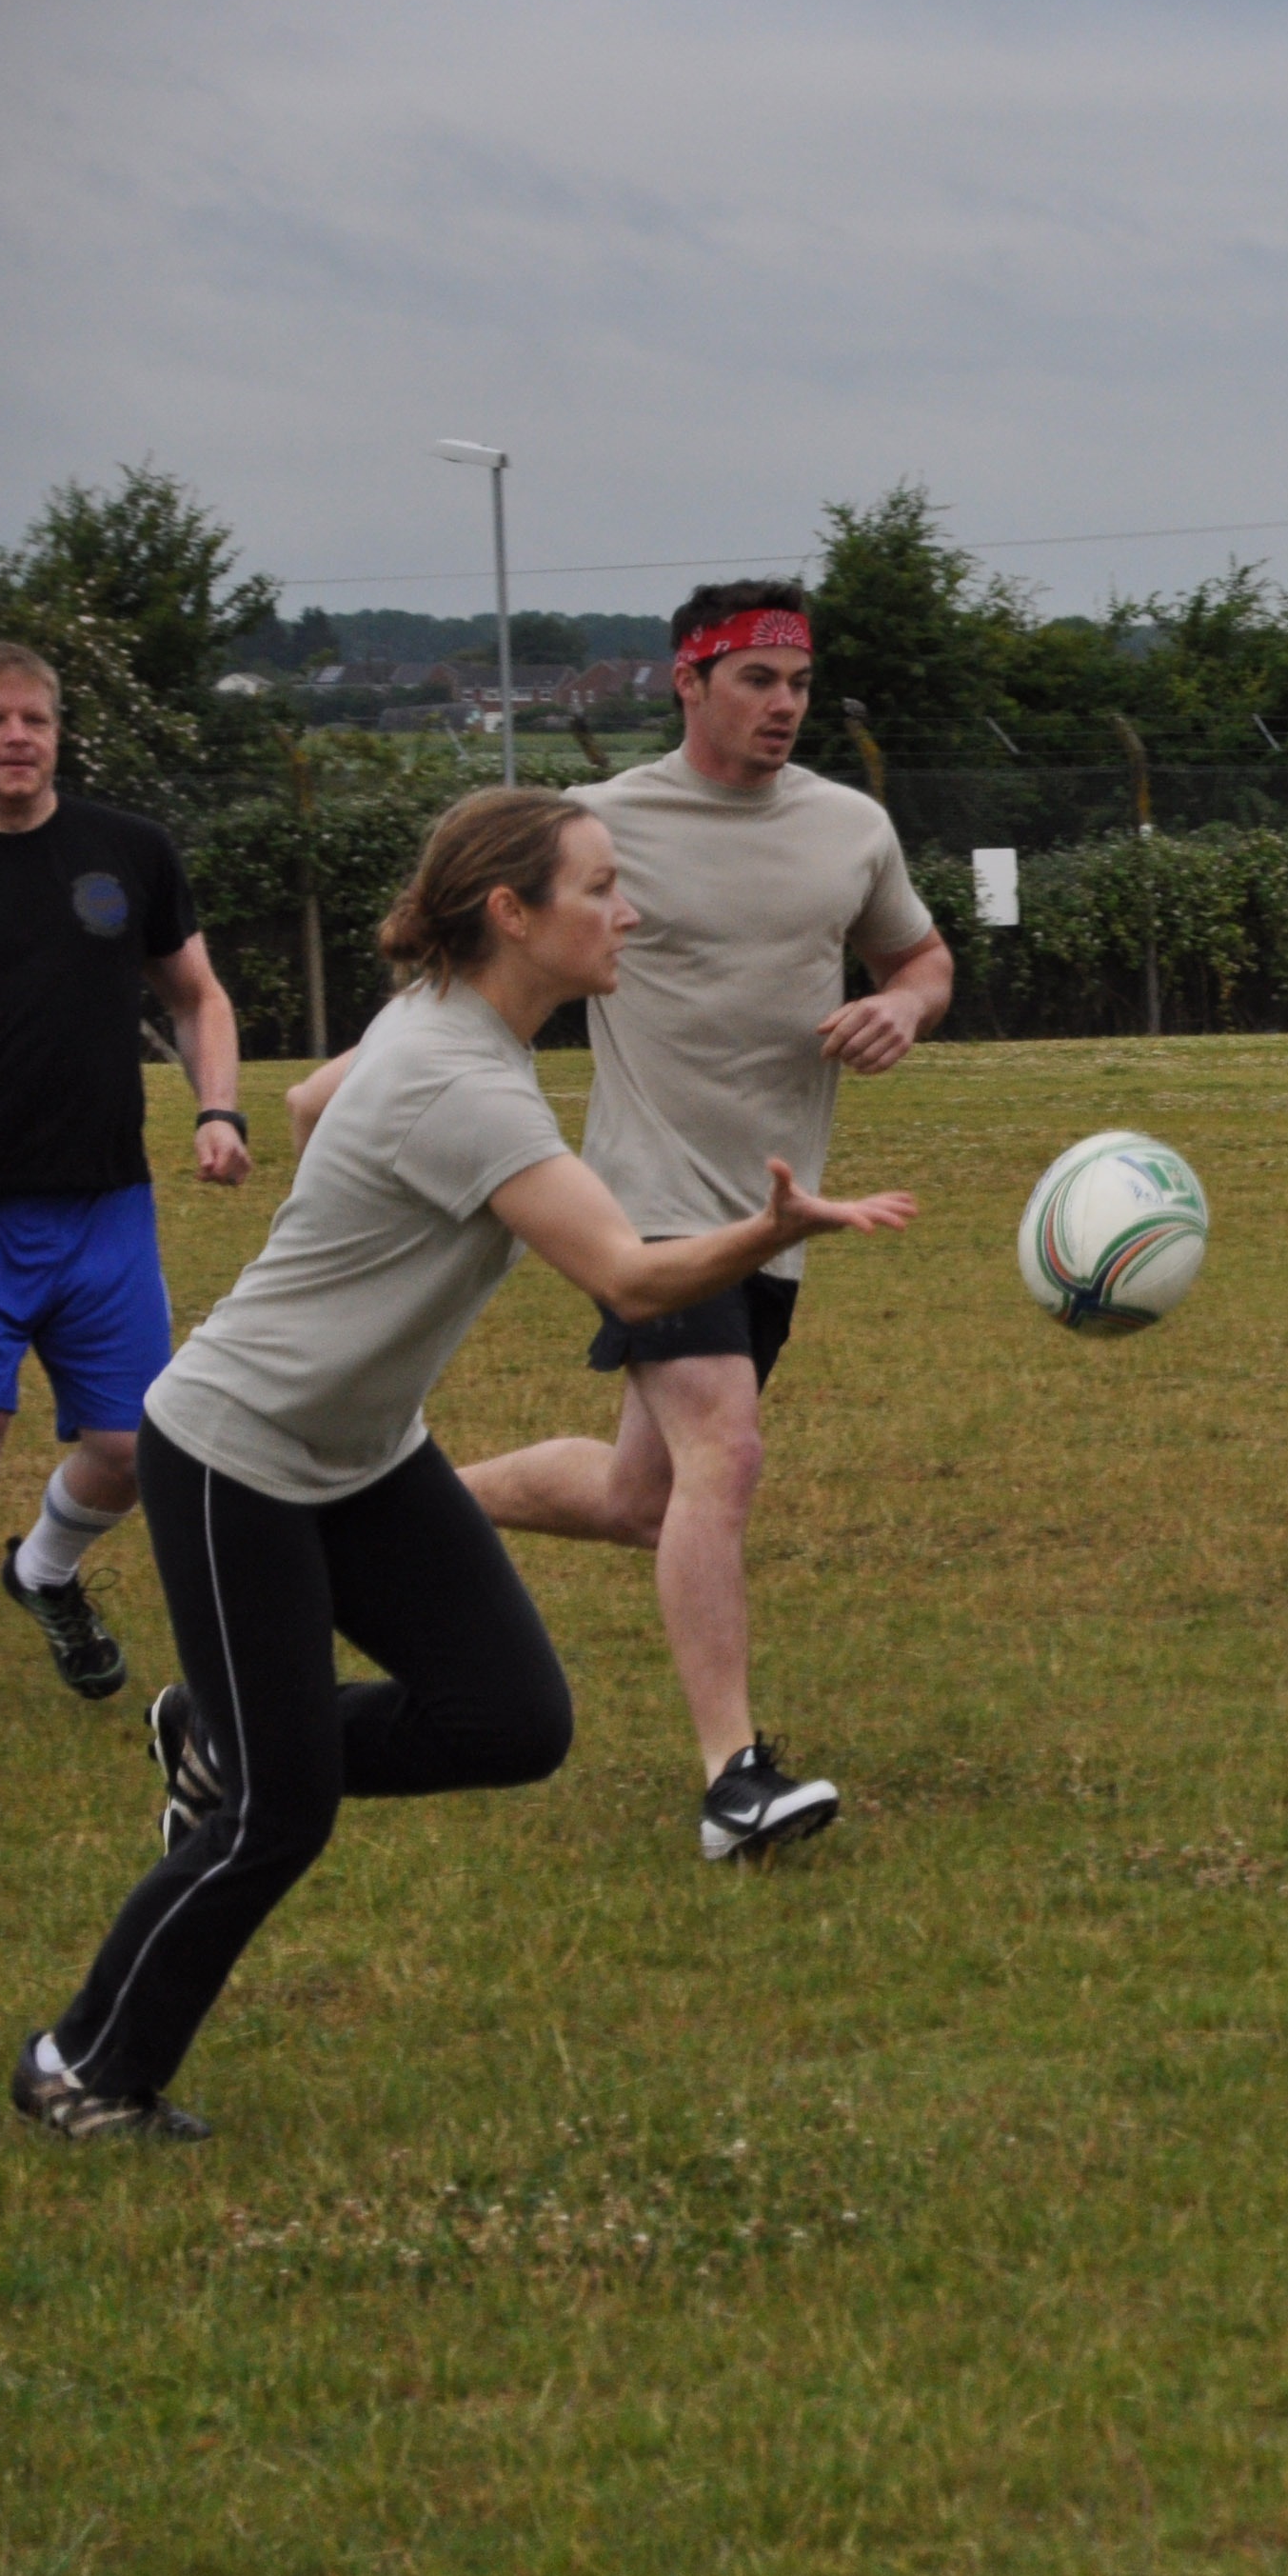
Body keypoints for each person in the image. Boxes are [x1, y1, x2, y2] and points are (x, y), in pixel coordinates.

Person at [11, 789, 913, 2141]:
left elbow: (318, 1103)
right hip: (235, 1453)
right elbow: (626, 1274)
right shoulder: (459, 1079)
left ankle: (219, 1737)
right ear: (512, 913)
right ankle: (84, 2067)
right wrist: (777, 1228)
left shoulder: (437, 1028)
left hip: (365, 1454)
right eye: (603, 889)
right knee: (279, 1816)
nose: (631, 912)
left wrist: (351, 1213)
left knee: (512, 1719)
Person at [444, 581, 949, 1861]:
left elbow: (921, 960)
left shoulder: (852, 827)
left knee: (637, 1496)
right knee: (726, 1444)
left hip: (772, 1214)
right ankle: (735, 1777)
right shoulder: (595, 829)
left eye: (797, 685)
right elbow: (473, 970)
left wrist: (907, 1009)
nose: (783, 707)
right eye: (756, 682)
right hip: (642, 1204)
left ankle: (411, 1499)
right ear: (690, 681)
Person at [0, 641, 248, 1732]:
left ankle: (43, 1570)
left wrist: (218, 1108)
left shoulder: (128, 850)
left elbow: (198, 995)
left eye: (34, 718)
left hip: (105, 1202)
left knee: (133, 1448)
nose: (17, 737)